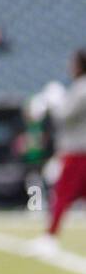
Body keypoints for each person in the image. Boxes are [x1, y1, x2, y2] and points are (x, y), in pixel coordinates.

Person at [26, 49, 86, 254]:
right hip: (77, 151)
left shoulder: (81, 88)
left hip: (77, 152)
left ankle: (50, 237)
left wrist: (52, 102)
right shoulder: (78, 88)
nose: (70, 66)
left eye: (73, 63)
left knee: (61, 194)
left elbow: (64, 115)